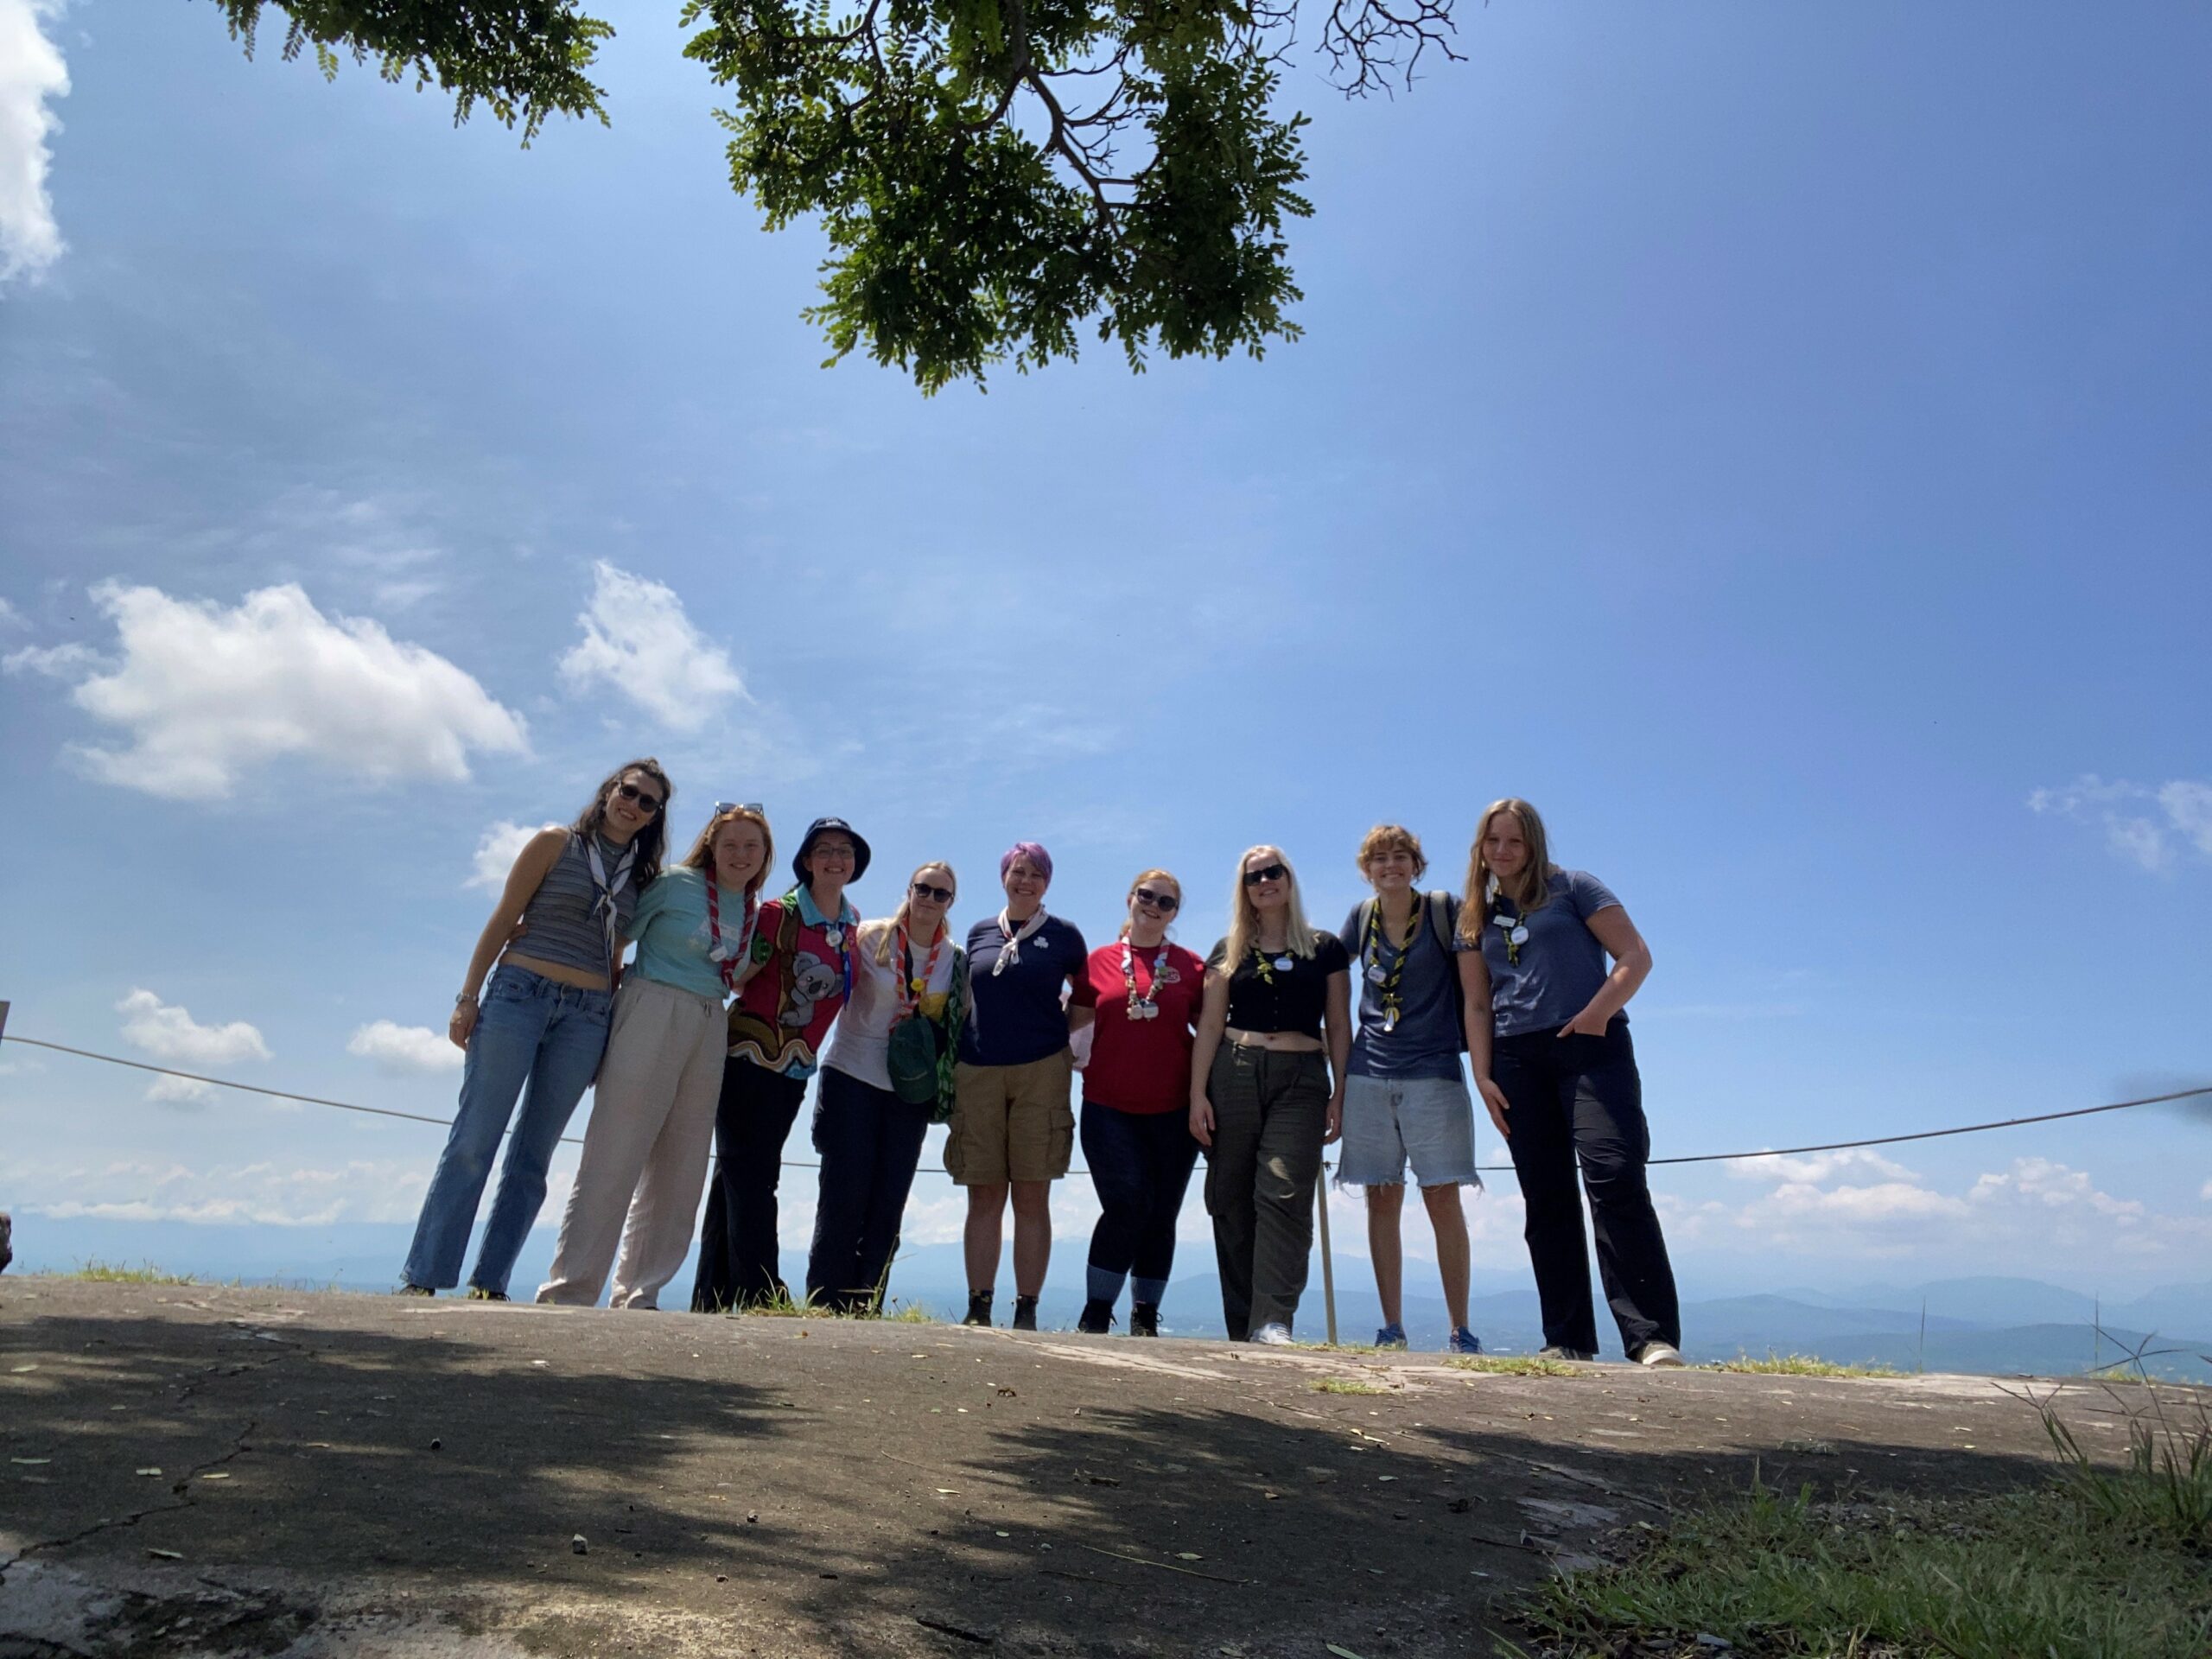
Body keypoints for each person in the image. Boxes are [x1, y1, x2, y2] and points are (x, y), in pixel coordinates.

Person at [401, 760, 671, 1300]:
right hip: (520, 994)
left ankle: (490, 1281)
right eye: (629, 791)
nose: (634, 805)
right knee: (475, 1138)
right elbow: (504, 918)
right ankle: (425, 1277)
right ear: (609, 789)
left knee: (534, 1155)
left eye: (648, 803)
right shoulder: (556, 842)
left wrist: (609, 1034)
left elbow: (616, 956)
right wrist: (466, 998)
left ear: (654, 818)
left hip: (588, 1014)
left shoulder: (642, 880)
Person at [1459, 798, 1682, 1367]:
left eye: (1515, 841)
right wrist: (1481, 1075)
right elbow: (1477, 1003)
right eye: (1493, 841)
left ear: (1533, 844)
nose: (1503, 851)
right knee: (1547, 1196)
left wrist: (1596, 1014)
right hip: (1515, 1060)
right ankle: (1568, 1339)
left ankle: (1651, 1336)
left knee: (1614, 1175)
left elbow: (1634, 955)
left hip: (1591, 1045)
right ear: (1480, 849)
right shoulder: (1474, 918)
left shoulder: (1575, 888)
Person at [537, 804, 772, 1308]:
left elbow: (735, 969)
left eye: (752, 846)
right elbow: (616, 938)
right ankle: (570, 1289)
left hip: (711, 1018)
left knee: (682, 1163)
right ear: (711, 844)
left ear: (764, 854)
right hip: (652, 1003)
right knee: (614, 1151)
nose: (740, 854)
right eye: (730, 843)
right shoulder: (673, 883)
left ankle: (641, 1291)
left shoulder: (752, 907)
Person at [692, 816, 868, 1313]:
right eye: (825, 850)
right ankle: (761, 1290)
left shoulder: (851, 926)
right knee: (753, 1175)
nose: (835, 859)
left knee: (734, 1179)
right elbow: (742, 977)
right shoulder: (777, 914)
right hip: (745, 1057)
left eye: (845, 851)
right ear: (807, 862)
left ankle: (712, 1296)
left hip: (794, 1069)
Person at [1188, 846, 1351, 1344]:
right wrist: (1197, 1094)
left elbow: (1339, 1025)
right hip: (1233, 1072)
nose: (1264, 881)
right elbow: (1211, 1024)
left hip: (1301, 1076)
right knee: (1231, 1197)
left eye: (1273, 871)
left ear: (1289, 878)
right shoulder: (1227, 950)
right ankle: (1243, 1325)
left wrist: (1341, 1092)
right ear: (1244, 890)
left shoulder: (1324, 948)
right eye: (1253, 876)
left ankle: (1272, 1319)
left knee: (1283, 1191)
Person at [1338, 825, 1484, 1354]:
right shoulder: (1360, 918)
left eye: (1400, 857)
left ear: (1416, 865)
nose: (1390, 866)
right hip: (1369, 1071)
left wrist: (1486, 1070)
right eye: (1379, 859)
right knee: (1381, 1196)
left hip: (1433, 1069)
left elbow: (1475, 994)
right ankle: (1391, 1327)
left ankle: (1460, 1329)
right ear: (1366, 869)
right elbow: (1328, 970)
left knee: (1442, 1195)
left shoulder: (1445, 910)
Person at [805, 862, 968, 1313]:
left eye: (941, 894)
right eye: (924, 889)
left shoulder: (954, 959)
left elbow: (959, 1023)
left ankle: (866, 1302)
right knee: (842, 1192)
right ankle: (824, 1301)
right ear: (909, 889)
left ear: (951, 903)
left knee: (889, 1198)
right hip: (852, 1075)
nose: (930, 900)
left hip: (908, 1091)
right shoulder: (869, 936)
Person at [949, 842, 1097, 1330]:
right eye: (1017, 871)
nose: (1025, 880)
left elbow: (1088, 994)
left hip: (1041, 1073)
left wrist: (1065, 1045)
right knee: (984, 1194)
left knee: (1032, 1195)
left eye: (1035, 873)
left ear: (1047, 883)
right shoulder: (979, 933)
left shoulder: (1065, 936)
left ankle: (1027, 1309)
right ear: (1003, 877)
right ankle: (979, 1306)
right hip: (979, 1070)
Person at [1074, 870, 1205, 1336]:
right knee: (1127, 1204)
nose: (1154, 905)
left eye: (1166, 902)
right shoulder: (1097, 962)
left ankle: (1145, 1317)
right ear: (1130, 899)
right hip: (1108, 1107)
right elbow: (1075, 1028)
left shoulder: (1192, 967)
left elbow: (1209, 1036)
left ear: (1174, 913)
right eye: (1147, 896)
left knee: (1161, 1211)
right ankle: (1095, 1313)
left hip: (1173, 1112)